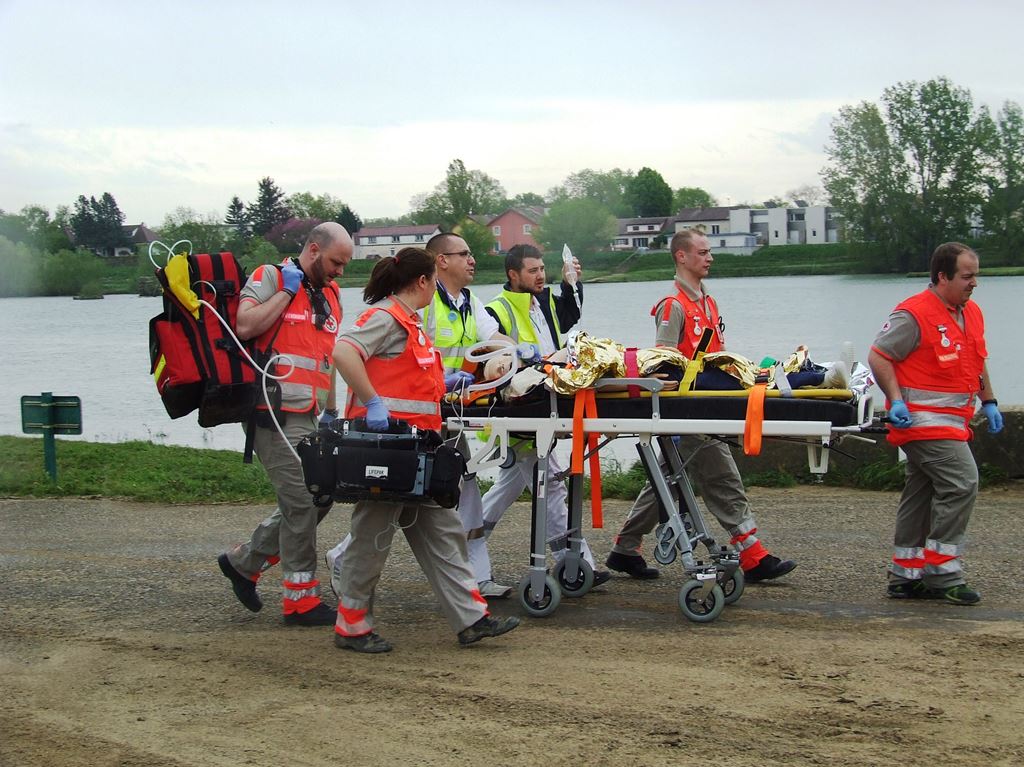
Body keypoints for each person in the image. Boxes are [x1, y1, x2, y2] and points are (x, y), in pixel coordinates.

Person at [331, 246, 520, 652]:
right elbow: (344, 351)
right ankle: (351, 625)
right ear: (423, 282)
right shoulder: (385, 317)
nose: (435, 288)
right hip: (387, 452)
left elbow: (417, 382)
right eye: (434, 281)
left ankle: (472, 619)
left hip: (417, 452)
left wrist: (453, 381)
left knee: (444, 532)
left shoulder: (410, 324)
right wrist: (373, 402)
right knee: (372, 538)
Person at [605, 229, 796, 582]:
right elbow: (660, 360)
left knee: (666, 480)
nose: (709, 258)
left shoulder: (708, 303)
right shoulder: (673, 306)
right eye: (703, 252)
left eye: (710, 252)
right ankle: (752, 554)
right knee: (722, 475)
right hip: (687, 406)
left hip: (705, 402)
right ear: (681, 256)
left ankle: (624, 548)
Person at [216, 222, 350, 626]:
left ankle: (244, 563)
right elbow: (245, 325)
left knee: (321, 495)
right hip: (270, 414)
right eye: (335, 262)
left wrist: (334, 409)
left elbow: (327, 356)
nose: (340, 272)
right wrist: (287, 291)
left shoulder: (332, 293)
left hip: (310, 415)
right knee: (302, 501)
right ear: (312, 249)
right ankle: (300, 601)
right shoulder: (270, 277)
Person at [868, 242, 1002, 606]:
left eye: (976, 275)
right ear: (943, 276)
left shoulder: (970, 312)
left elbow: (977, 359)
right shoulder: (913, 314)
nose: (975, 283)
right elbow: (879, 356)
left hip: (952, 423)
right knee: (963, 482)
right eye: (967, 276)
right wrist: (895, 400)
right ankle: (943, 573)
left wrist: (988, 400)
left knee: (922, 492)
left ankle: (905, 576)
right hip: (919, 424)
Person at [475, 244, 611, 586]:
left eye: (542, 269)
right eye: (533, 270)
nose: (541, 275)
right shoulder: (495, 310)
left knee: (507, 489)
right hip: (519, 412)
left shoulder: (545, 301)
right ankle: (575, 564)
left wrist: (571, 283)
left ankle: (464, 545)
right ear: (513, 274)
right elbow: (497, 358)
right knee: (550, 485)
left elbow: (570, 316)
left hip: (543, 406)